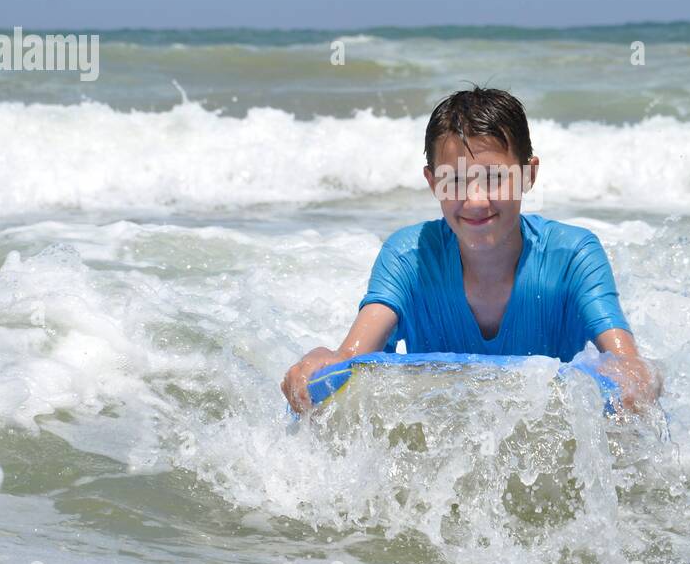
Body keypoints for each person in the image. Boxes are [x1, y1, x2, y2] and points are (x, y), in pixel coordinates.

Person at [280, 86, 660, 414]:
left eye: (495, 178)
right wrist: (321, 361)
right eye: (456, 181)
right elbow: (352, 355)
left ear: (529, 174)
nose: (476, 201)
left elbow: (628, 363)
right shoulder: (409, 258)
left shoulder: (573, 256)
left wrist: (633, 379)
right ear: (432, 182)